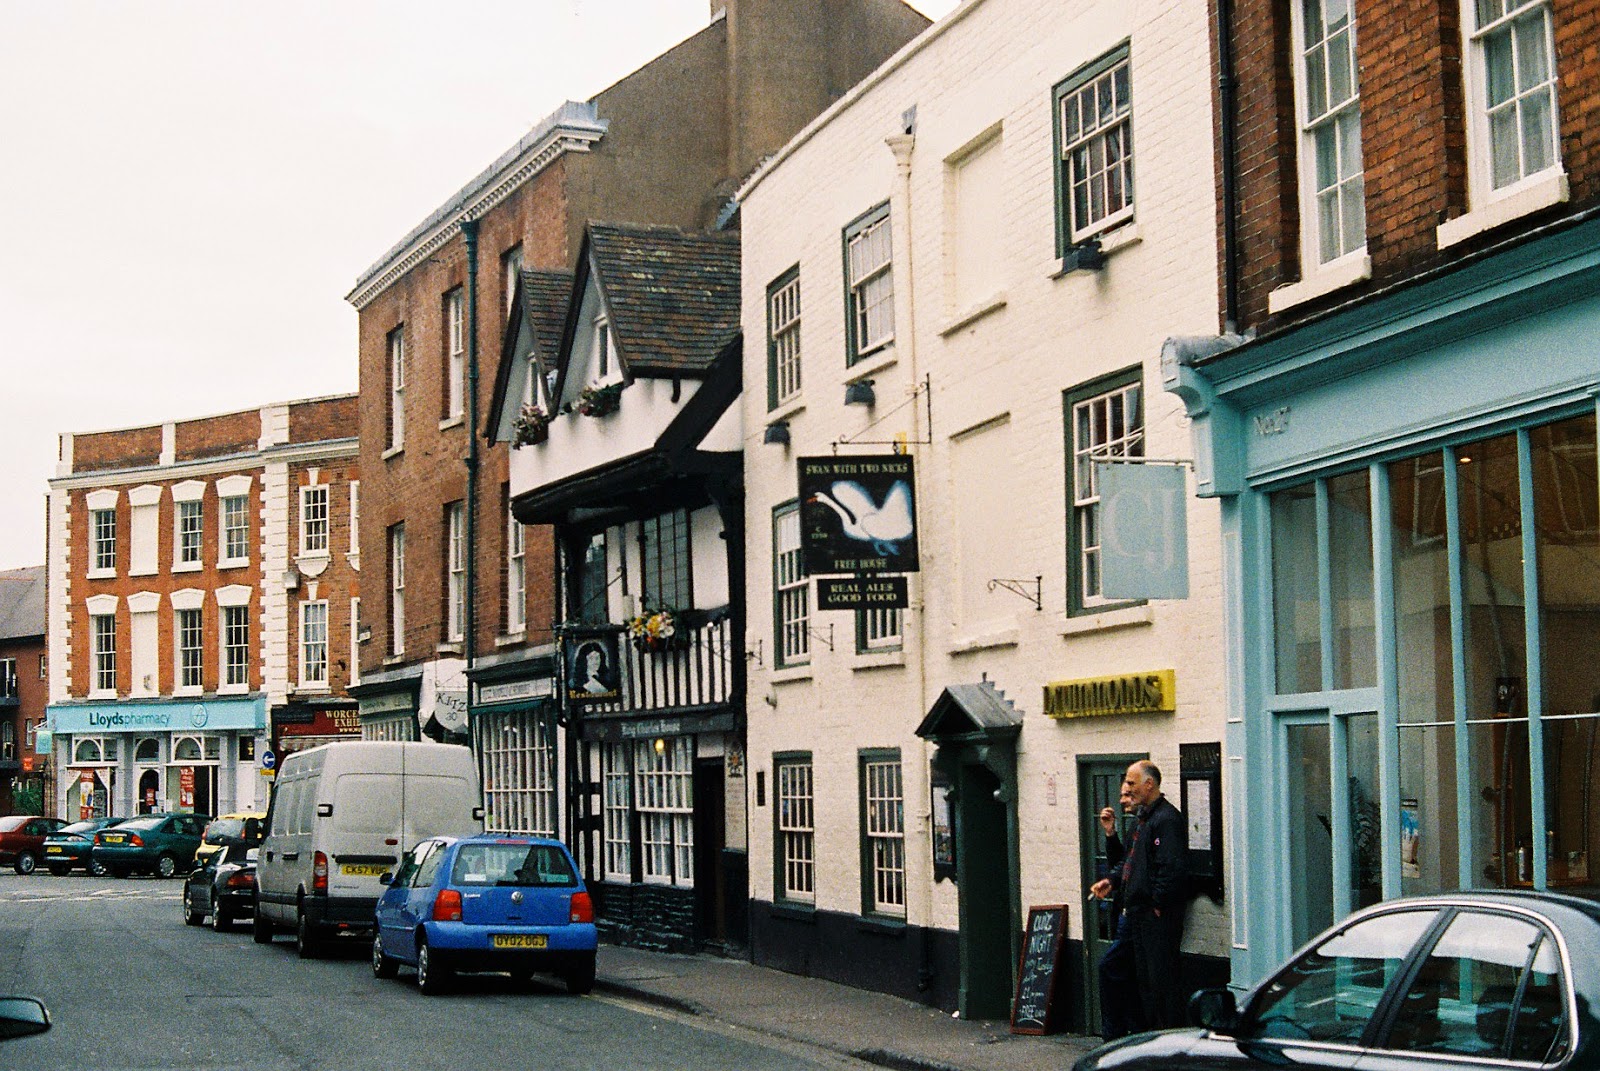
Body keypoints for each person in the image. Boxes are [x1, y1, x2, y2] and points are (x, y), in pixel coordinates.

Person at [1089, 760, 1189, 1029]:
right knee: (1138, 979)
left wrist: (1157, 904)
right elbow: (1128, 863)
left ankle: (1166, 1041)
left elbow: (1171, 867)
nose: (1126, 789)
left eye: (1131, 783)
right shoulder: (1142, 820)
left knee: (1159, 983)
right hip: (1137, 915)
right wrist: (1111, 880)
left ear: (1150, 784)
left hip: (1154, 917)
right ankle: (1131, 1036)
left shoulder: (1167, 819)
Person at [1093, 784, 1146, 1040]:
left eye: (1128, 793)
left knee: (1109, 967)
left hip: (1138, 914)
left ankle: (1114, 1036)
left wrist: (1155, 905)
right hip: (1126, 912)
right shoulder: (1137, 825)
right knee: (1127, 976)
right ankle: (1128, 1033)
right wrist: (1111, 833)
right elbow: (1122, 864)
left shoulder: (1156, 822)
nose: (1123, 799)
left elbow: (1165, 870)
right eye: (1123, 794)